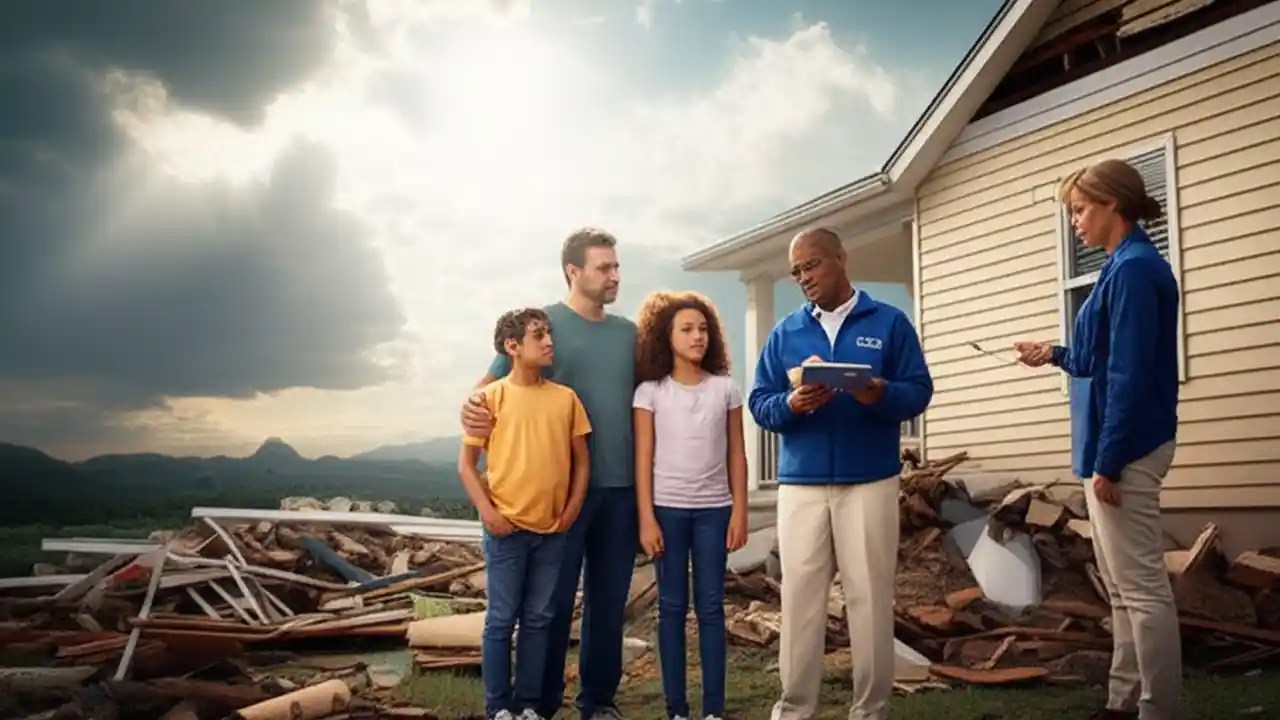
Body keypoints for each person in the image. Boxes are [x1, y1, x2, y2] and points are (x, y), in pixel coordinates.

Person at [1014, 159, 1180, 720]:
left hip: (1126, 449)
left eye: (1079, 209)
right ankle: (1121, 702)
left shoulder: (1135, 270)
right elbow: (1094, 359)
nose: (1075, 222)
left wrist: (1109, 461)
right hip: (1106, 448)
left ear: (1112, 204)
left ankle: (1156, 709)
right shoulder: (1116, 269)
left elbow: (1128, 376)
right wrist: (1053, 353)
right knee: (1120, 589)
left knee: (1142, 590)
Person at [748, 228, 932, 720]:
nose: (804, 278)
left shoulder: (890, 324)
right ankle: (794, 709)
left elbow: (918, 392)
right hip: (802, 485)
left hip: (869, 479)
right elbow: (760, 403)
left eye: (812, 265)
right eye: (796, 271)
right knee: (800, 598)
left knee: (869, 596)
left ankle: (870, 711)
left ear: (840, 258)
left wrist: (878, 394)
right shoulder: (785, 332)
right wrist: (791, 402)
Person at [460, 228, 638, 720]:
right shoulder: (544, 327)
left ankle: (598, 701)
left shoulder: (629, 334)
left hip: (621, 490)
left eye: (617, 266)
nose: (615, 275)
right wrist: (469, 411)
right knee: (550, 608)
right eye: (604, 267)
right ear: (573, 272)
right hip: (559, 497)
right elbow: (487, 388)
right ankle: (540, 703)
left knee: (608, 604)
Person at [459, 307, 592, 720]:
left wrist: (571, 510)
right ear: (512, 347)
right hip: (505, 531)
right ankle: (499, 707)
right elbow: (467, 464)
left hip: (553, 531)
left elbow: (582, 462)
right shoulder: (490, 398)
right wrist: (488, 514)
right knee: (501, 620)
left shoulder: (566, 399)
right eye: (539, 335)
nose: (549, 341)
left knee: (539, 619)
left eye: (548, 333)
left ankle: (530, 706)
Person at [632, 290, 749, 720]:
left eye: (703, 328)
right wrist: (646, 518)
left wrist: (739, 512)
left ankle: (713, 711)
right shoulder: (650, 392)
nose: (697, 336)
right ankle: (676, 710)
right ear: (667, 337)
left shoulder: (726, 389)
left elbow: (737, 453)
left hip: (714, 511)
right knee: (671, 609)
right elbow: (642, 458)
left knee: (712, 609)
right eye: (687, 329)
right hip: (666, 511)